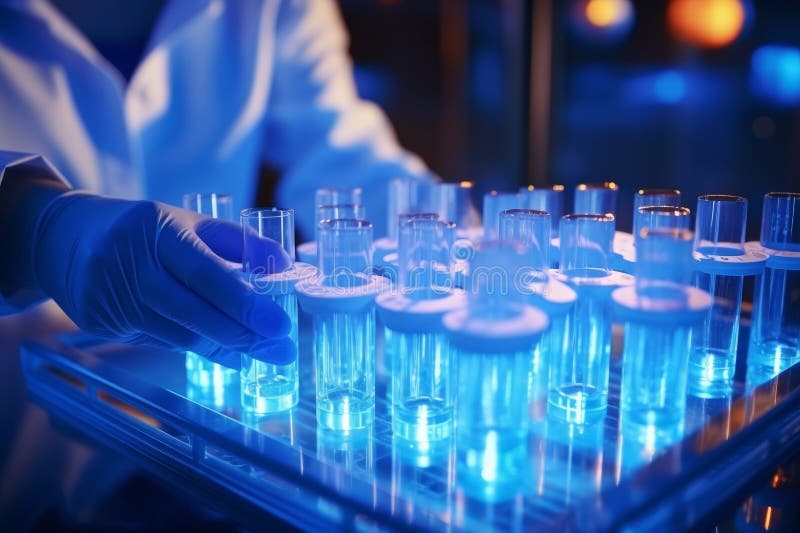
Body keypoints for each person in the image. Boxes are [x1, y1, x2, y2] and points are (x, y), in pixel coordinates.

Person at [0, 0, 433, 363]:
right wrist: (34, 228)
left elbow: (337, 149)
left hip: (214, 413)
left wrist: (445, 233)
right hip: (23, 431)